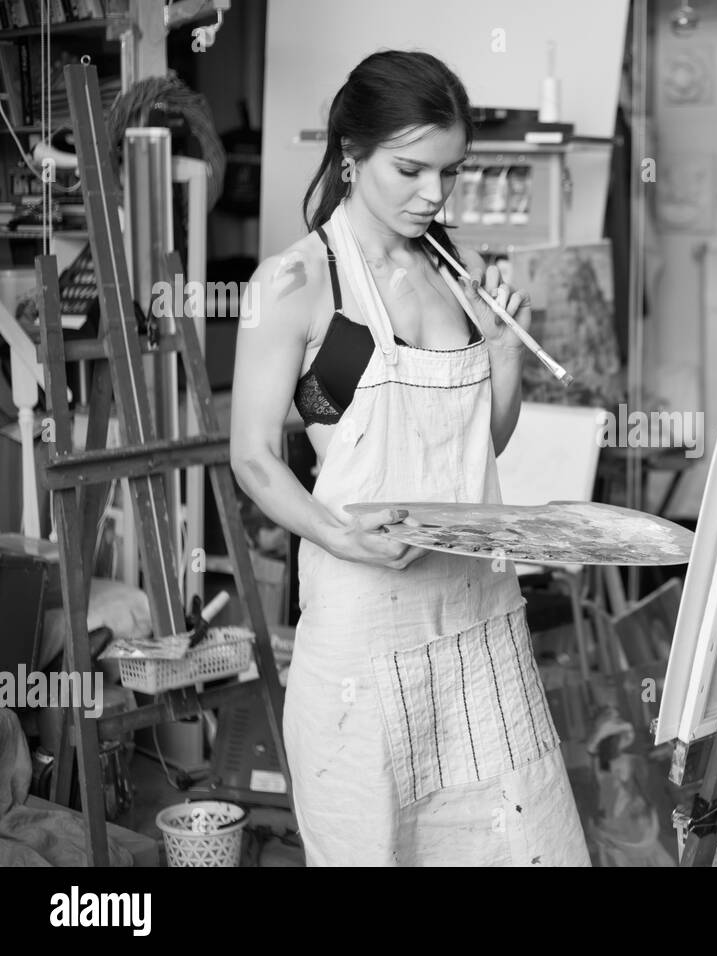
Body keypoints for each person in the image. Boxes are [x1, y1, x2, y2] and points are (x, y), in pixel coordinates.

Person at [229, 50, 590, 866]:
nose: (434, 195)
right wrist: (340, 535)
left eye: (451, 174)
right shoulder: (296, 282)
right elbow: (252, 457)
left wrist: (504, 354)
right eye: (411, 170)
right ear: (351, 156)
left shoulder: (451, 272)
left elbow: (483, 444)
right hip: (365, 633)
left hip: (478, 627)